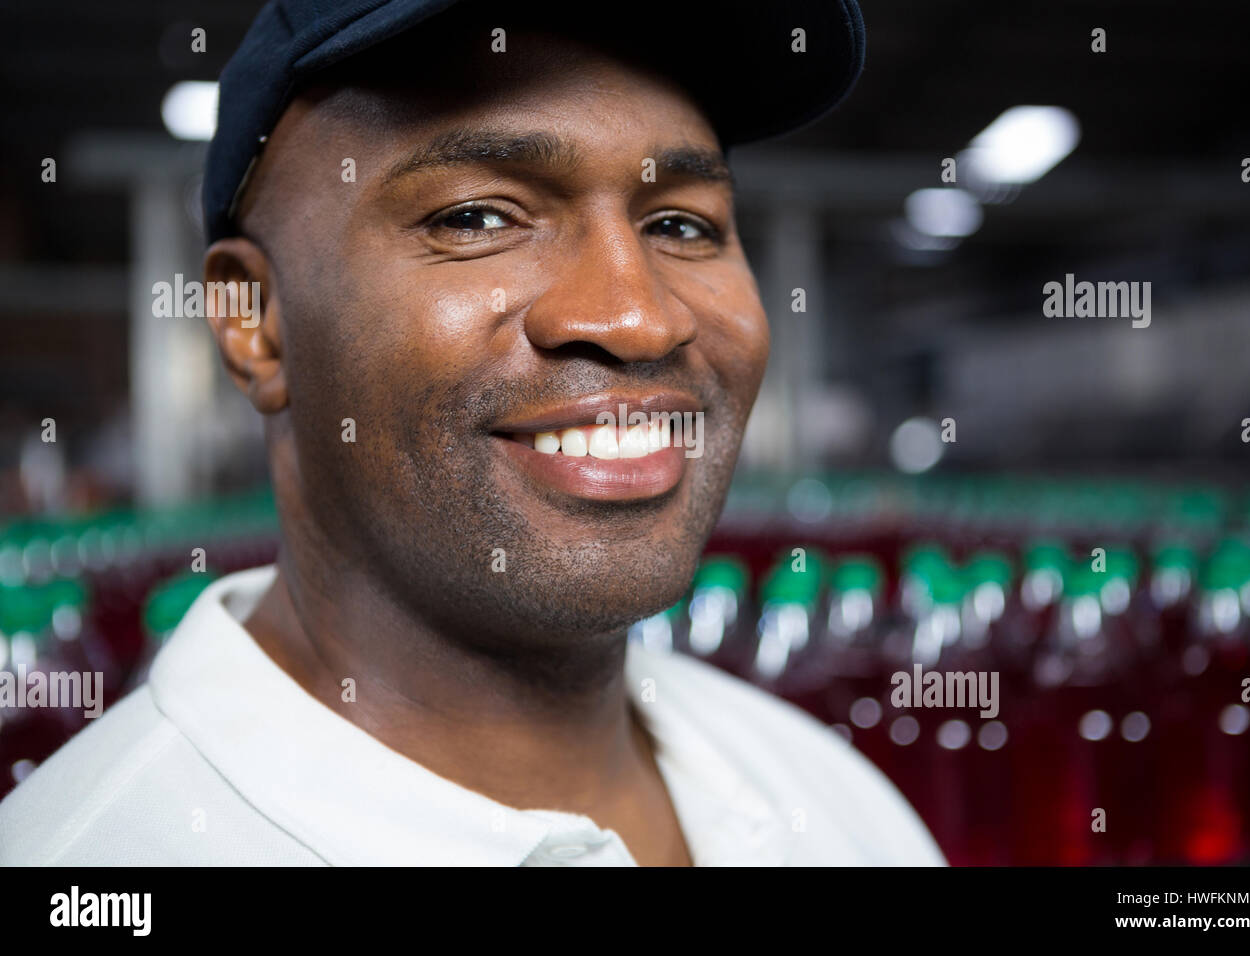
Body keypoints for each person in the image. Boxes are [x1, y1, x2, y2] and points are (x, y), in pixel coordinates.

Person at [0, 0, 944, 866]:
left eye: (682, 225)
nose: (637, 319)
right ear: (257, 318)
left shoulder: (844, 812)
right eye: (478, 216)